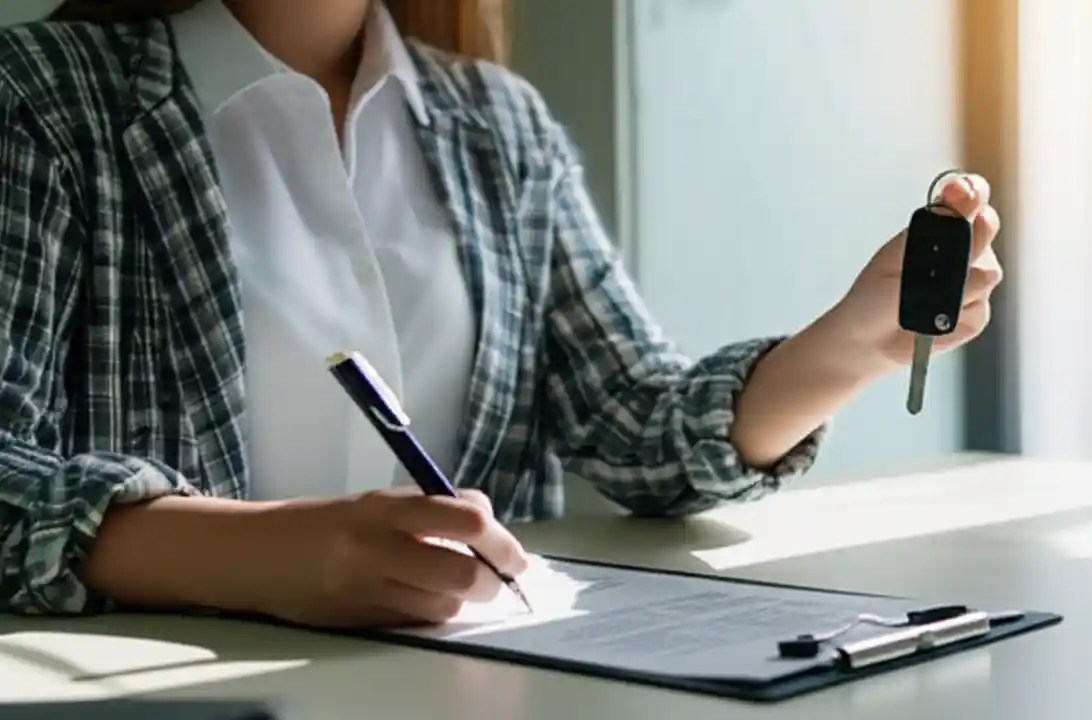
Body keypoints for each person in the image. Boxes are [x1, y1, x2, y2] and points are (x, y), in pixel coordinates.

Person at [0, 0, 1002, 628]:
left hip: (472, 687)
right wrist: (266, 558)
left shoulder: (497, 123)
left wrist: (855, 338)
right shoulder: (41, 100)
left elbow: (640, 431)